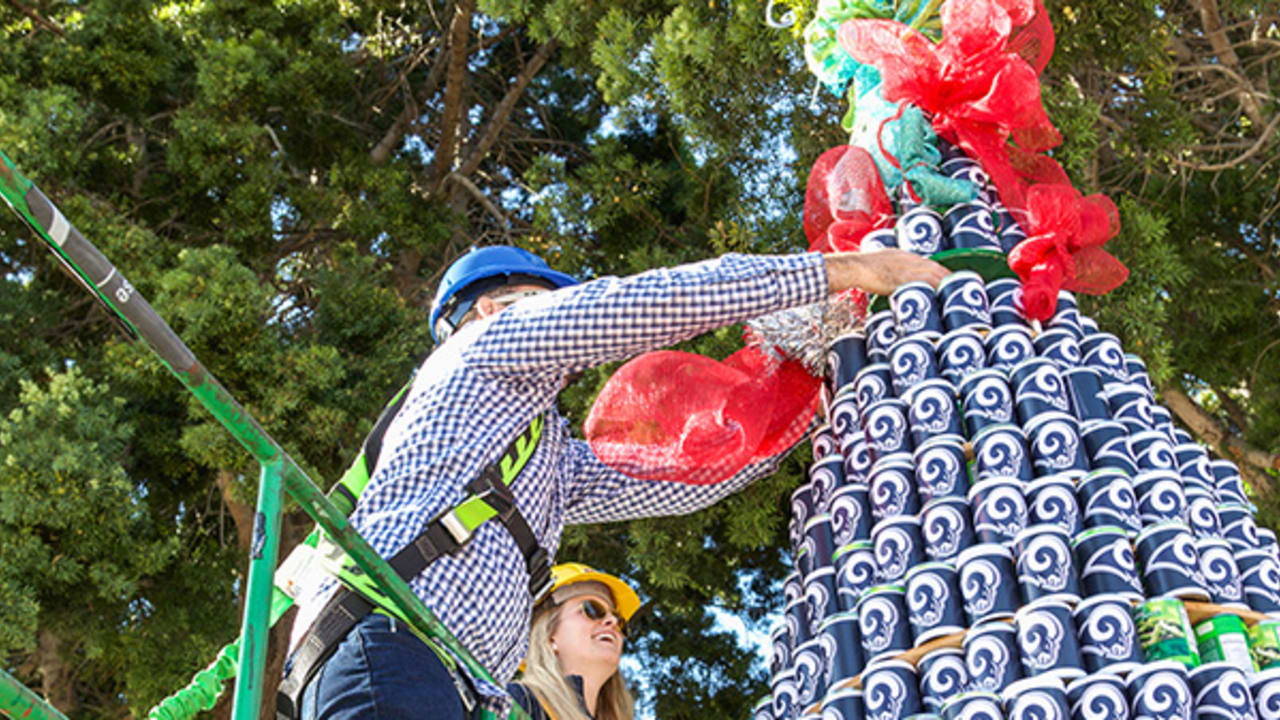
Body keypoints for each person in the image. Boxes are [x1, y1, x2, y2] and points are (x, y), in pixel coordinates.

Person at [284, 244, 949, 720]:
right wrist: (845, 271)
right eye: (555, 299)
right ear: (492, 305)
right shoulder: (483, 349)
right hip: (387, 645)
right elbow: (643, 303)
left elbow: (683, 478)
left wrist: (799, 387)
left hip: (438, 676)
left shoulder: (540, 452)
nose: (568, 309)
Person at [508, 563, 641, 720]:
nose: (612, 621)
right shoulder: (515, 702)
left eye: (619, 622)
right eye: (592, 609)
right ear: (549, 635)